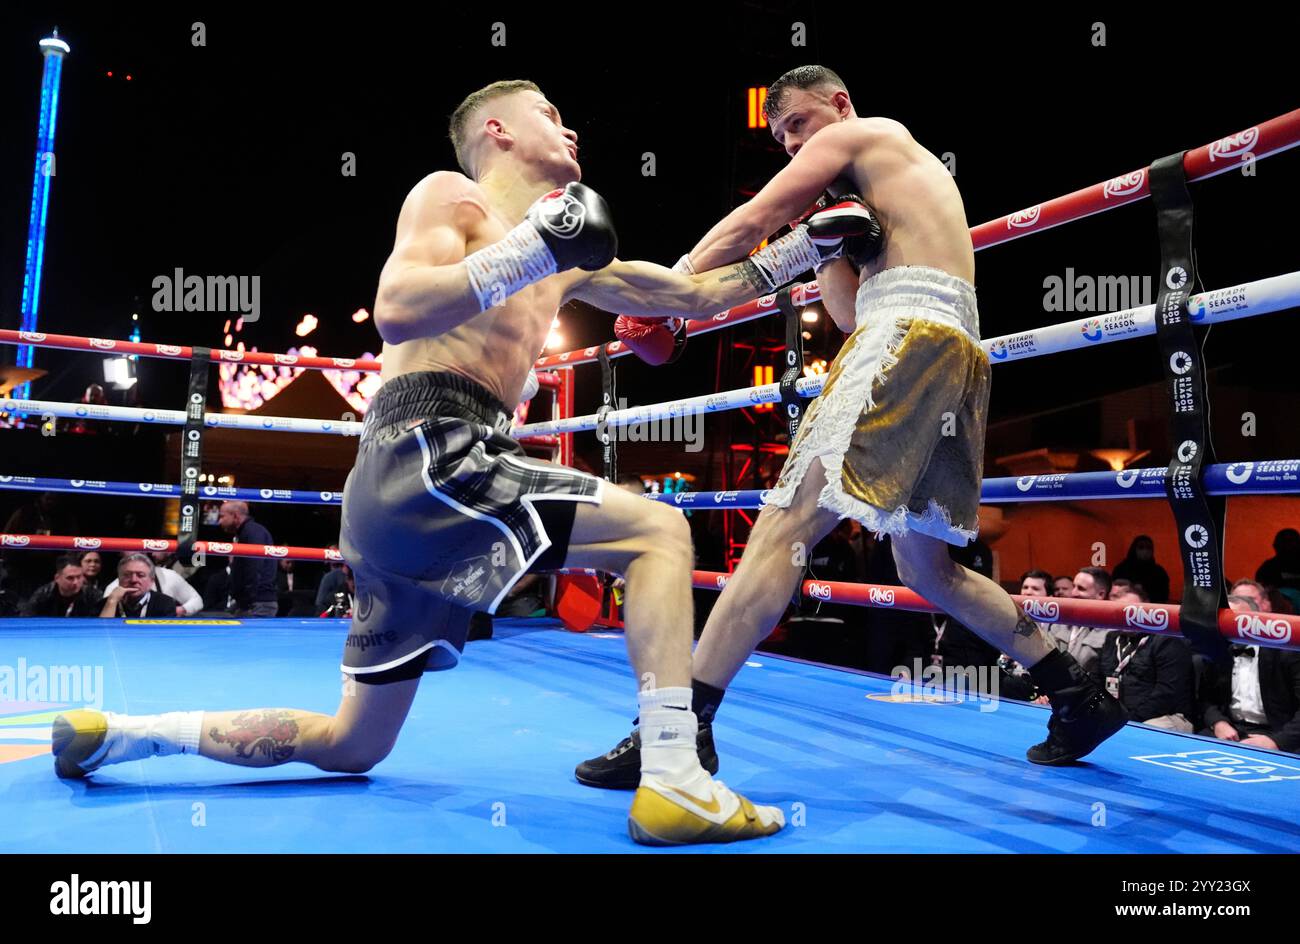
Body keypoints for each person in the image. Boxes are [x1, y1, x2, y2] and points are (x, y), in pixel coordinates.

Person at [52, 78, 822, 845]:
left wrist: (804, 249)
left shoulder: (567, 257)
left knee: (356, 743)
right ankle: (676, 778)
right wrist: (531, 247)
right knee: (658, 531)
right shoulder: (452, 196)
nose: (570, 127)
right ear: (498, 130)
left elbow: (687, 296)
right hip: (429, 445)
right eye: (548, 114)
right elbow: (397, 304)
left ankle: (124, 733)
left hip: (406, 494)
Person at [578, 64, 1127, 788]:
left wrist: (666, 297)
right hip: (949, 352)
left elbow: (750, 223)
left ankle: (676, 731)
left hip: (907, 337)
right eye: (780, 139)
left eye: (799, 125)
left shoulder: (870, 133)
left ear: (839, 104)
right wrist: (832, 247)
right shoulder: (871, 202)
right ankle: (1076, 693)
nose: (792, 146)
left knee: (783, 527)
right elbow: (844, 316)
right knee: (927, 567)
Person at [1198, 596, 1300, 753]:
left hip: (1278, 732)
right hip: (1232, 730)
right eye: (1224, 620)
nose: (1229, 626)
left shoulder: (1287, 653)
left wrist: (1278, 741)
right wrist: (1218, 722)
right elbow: (1206, 699)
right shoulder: (1217, 651)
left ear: (1257, 621)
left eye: (1236, 620)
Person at [1094, 586, 1194, 731]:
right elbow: (1097, 680)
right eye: (1121, 612)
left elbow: (1166, 694)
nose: (1128, 617)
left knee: (1140, 730)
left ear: (1146, 610)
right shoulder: (1112, 638)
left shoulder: (1167, 640)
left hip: (1165, 716)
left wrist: (1128, 720)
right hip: (1119, 715)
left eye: (1132, 611)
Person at [1043, 568, 1112, 676]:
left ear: (1101, 594)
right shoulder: (1059, 623)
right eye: (1074, 586)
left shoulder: (1111, 632)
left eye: (1081, 588)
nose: (1073, 593)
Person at [217, 501, 278, 617]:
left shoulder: (253, 532)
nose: (219, 521)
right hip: (250, 602)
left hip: (258, 602)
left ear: (235, 516)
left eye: (222, 516)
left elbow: (255, 568)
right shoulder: (246, 533)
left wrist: (249, 598)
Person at [103, 551, 203, 616]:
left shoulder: (168, 577)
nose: (134, 580)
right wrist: (112, 601)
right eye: (128, 574)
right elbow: (103, 633)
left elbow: (197, 601)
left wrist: (176, 611)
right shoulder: (112, 590)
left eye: (140, 575)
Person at [21, 555, 103, 618]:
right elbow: (26, 620)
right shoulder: (43, 595)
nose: (76, 582)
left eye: (79, 577)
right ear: (57, 578)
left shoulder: (92, 595)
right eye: (70, 578)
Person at [1112, 535, 1170, 604]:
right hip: (1124, 607)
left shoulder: (1159, 572)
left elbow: (1163, 596)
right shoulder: (1121, 569)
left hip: (1152, 609)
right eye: (1141, 547)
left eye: (1148, 548)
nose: (1145, 551)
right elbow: (1114, 591)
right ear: (1134, 549)